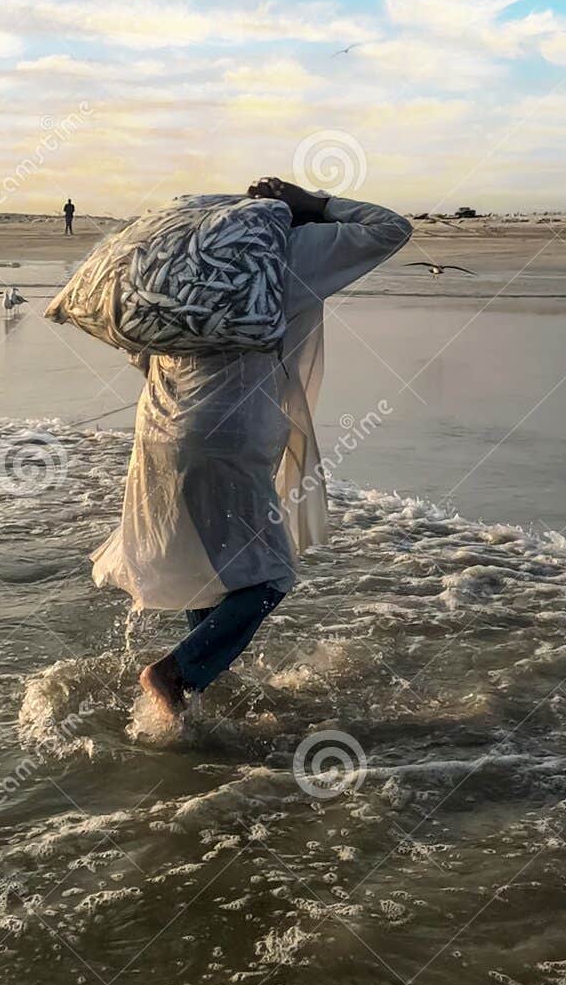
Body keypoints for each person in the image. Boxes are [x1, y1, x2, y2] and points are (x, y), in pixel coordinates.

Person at [90, 176, 412, 720]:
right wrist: (313, 203)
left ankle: (194, 697)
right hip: (229, 435)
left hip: (160, 426)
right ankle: (176, 671)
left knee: (208, 563)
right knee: (269, 574)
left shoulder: (180, 263)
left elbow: (138, 344)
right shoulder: (290, 254)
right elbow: (390, 227)